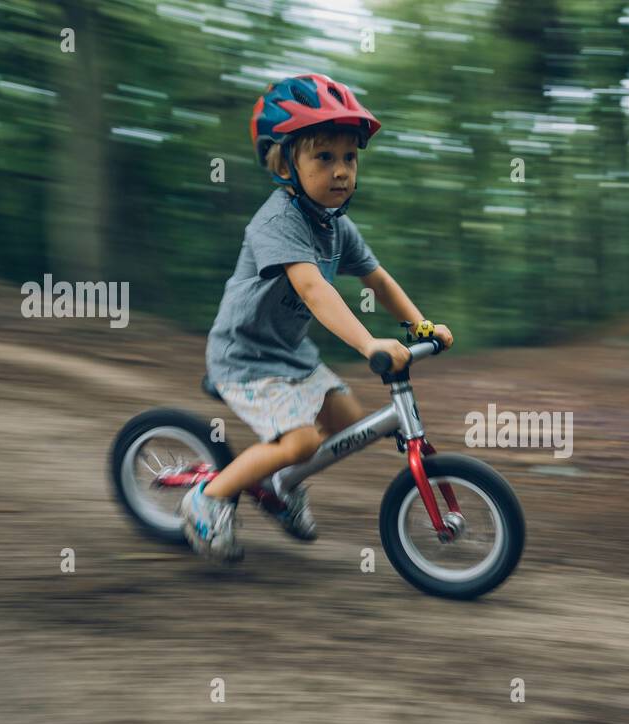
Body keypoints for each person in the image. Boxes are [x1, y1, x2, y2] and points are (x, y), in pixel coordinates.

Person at [181, 73, 452, 562]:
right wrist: (369, 343)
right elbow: (313, 288)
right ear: (284, 161)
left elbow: (379, 280)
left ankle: (275, 486)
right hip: (245, 357)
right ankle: (209, 497)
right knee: (302, 441)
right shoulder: (277, 221)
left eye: (349, 157)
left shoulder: (336, 226)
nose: (341, 171)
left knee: (351, 425)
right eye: (323, 157)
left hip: (291, 355)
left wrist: (421, 325)